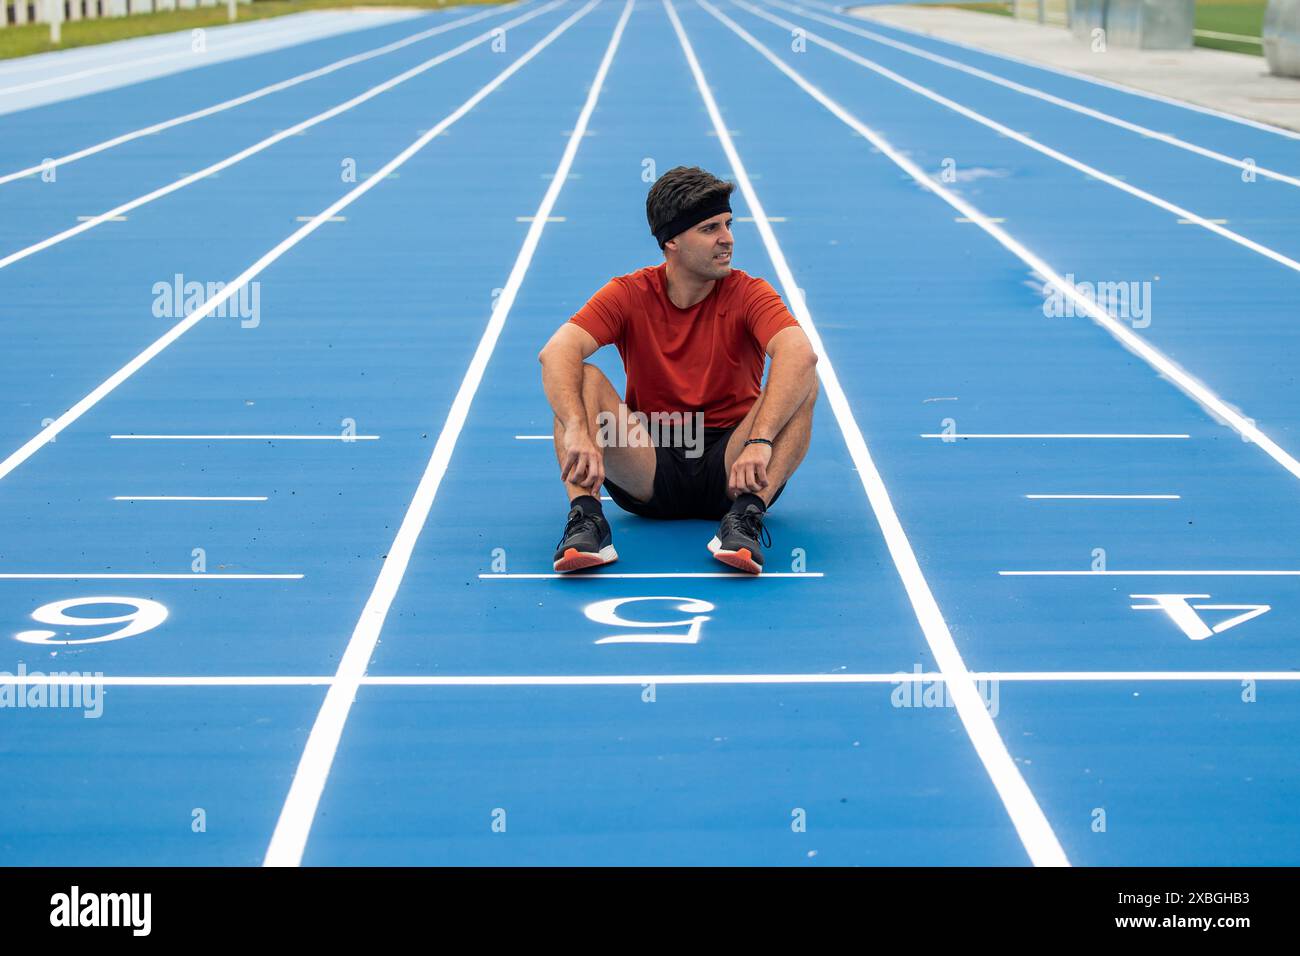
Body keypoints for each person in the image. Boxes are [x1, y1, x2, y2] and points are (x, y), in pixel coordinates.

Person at [537, 166, 818, 575]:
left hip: (733, 467)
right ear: (671, 241)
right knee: (580, 377)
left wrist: (760, 439)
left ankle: (744, 519)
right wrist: (577, 427)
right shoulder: (630, 293)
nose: (728, 239)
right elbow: (556, 351)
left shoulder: (749, 292)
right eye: (709, 229)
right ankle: (587, 519)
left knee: (805, 378)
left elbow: (799, 353)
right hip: (650, 464)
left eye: (727, 224)